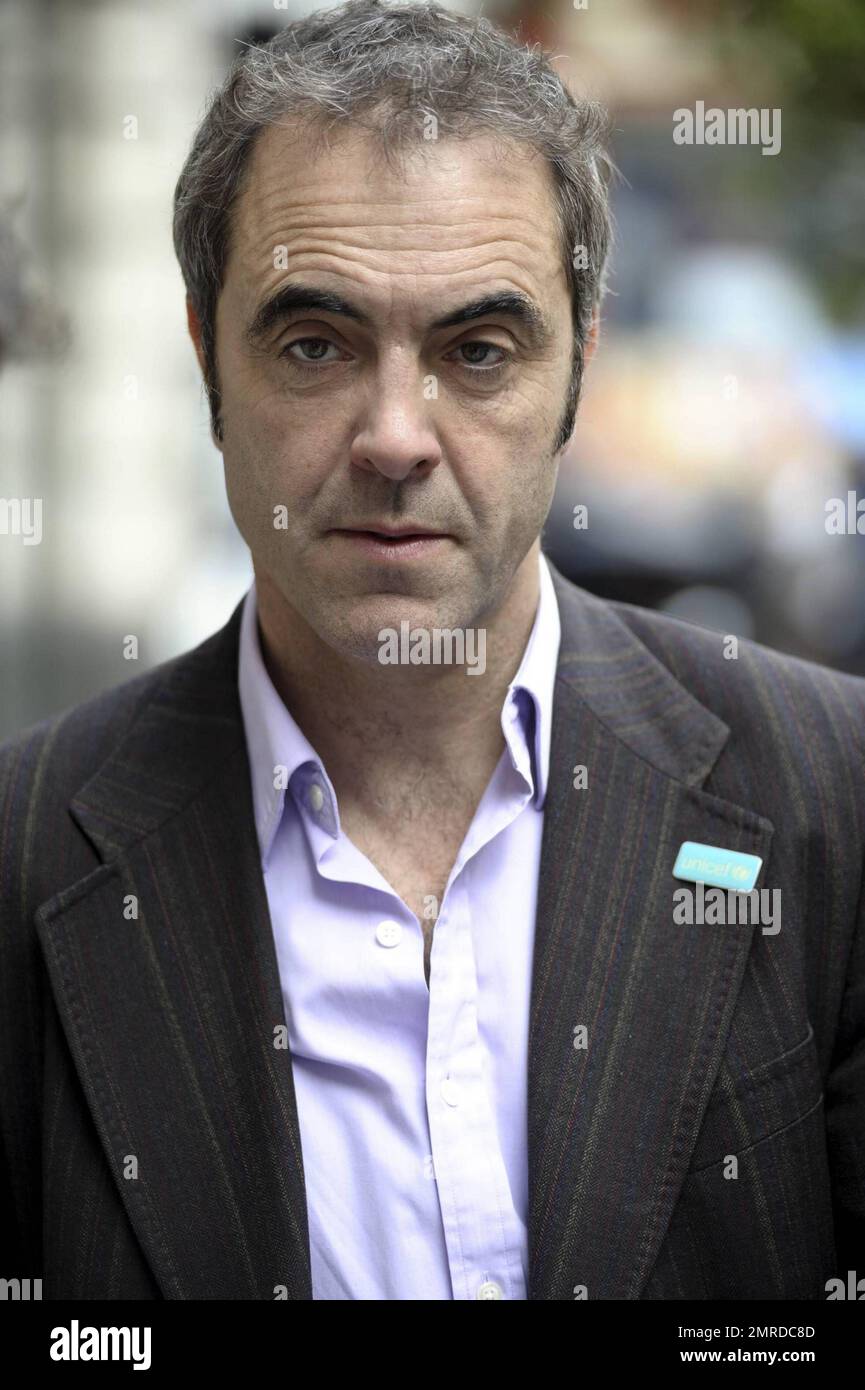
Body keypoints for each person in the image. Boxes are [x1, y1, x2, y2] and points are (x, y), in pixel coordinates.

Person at [1, 0, 862, 1301]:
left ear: (580, 364)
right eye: (313, 342)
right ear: (204, 361)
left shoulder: (829, 799)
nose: (395, 435)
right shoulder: (23, 857)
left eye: (476, 348)